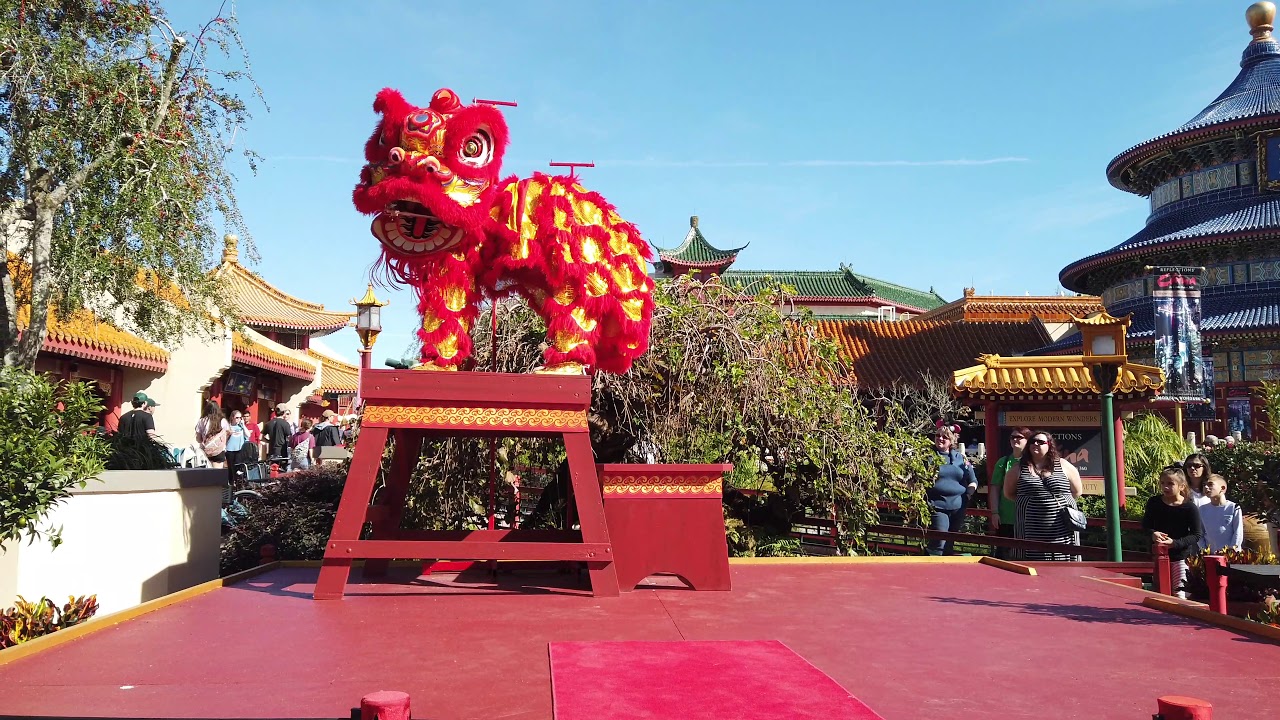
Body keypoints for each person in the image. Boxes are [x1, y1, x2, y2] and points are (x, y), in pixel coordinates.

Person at [1003, 430, 1084, 561]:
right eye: (1032, 442)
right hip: (1030, 525)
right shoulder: (1018, 468)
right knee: (1031, 557)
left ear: (1049, 445)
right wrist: (1033, 503)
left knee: (1063, 558)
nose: (1035, 444)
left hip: (1061, 524)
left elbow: (1077, 491)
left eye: (1040, 442)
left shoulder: (1063, 465)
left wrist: (1057, 502)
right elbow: (1008, 493)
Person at [1142, 465, 1205, 598]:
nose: (1165, 487)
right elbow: (1145, 525)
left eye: (1170, 484)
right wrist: (1153, 533)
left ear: (1181, 486)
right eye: (1163, 483)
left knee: (1179, 593)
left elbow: (1196, 534)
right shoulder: (1154, 503)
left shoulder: (1189, 507)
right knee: (1160, 592)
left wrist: (1175, 543)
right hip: (1158, 555)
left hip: (1181, 557)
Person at [925, 426, 977, 556]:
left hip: (958, 506)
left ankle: (946, 572)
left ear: (952, 440)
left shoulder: (961, 458)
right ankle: (929, 568)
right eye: (938, 435)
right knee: (940, 540)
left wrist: (969, 494)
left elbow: (973, 480)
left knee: (950, 542)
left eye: (945, 437)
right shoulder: (927, 456)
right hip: (937, 505)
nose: (940, 439)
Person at [989, 427, 1031, 559]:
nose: (1015, 440)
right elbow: (995, 488)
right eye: (1013, 437)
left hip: (1028, 518)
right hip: (1006, 517)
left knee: (1026, 555)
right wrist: (995, 512)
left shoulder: (1033, 462)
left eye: (1019, 437)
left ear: (1027, 440)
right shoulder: (1003, 462)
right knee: (1003, 555)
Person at [1199, 473, 1243, 552]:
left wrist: (1232, 549)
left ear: (1222, 488)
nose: (1206, 487)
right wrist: (1204, 550)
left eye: (1210, 485)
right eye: (1204, 485)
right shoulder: (1202, 509)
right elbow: (1199, 533)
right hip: (1211, 555)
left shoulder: (1233, 507)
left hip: (1231, 554)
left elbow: (1238, 532)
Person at [195, 401, 230, 469]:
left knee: (207, 473)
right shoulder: (222, 421)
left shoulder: (202, 421)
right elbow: (227, 434)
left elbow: (198, 439)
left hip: (206, 450)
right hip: (219, 450)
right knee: (217, 473)